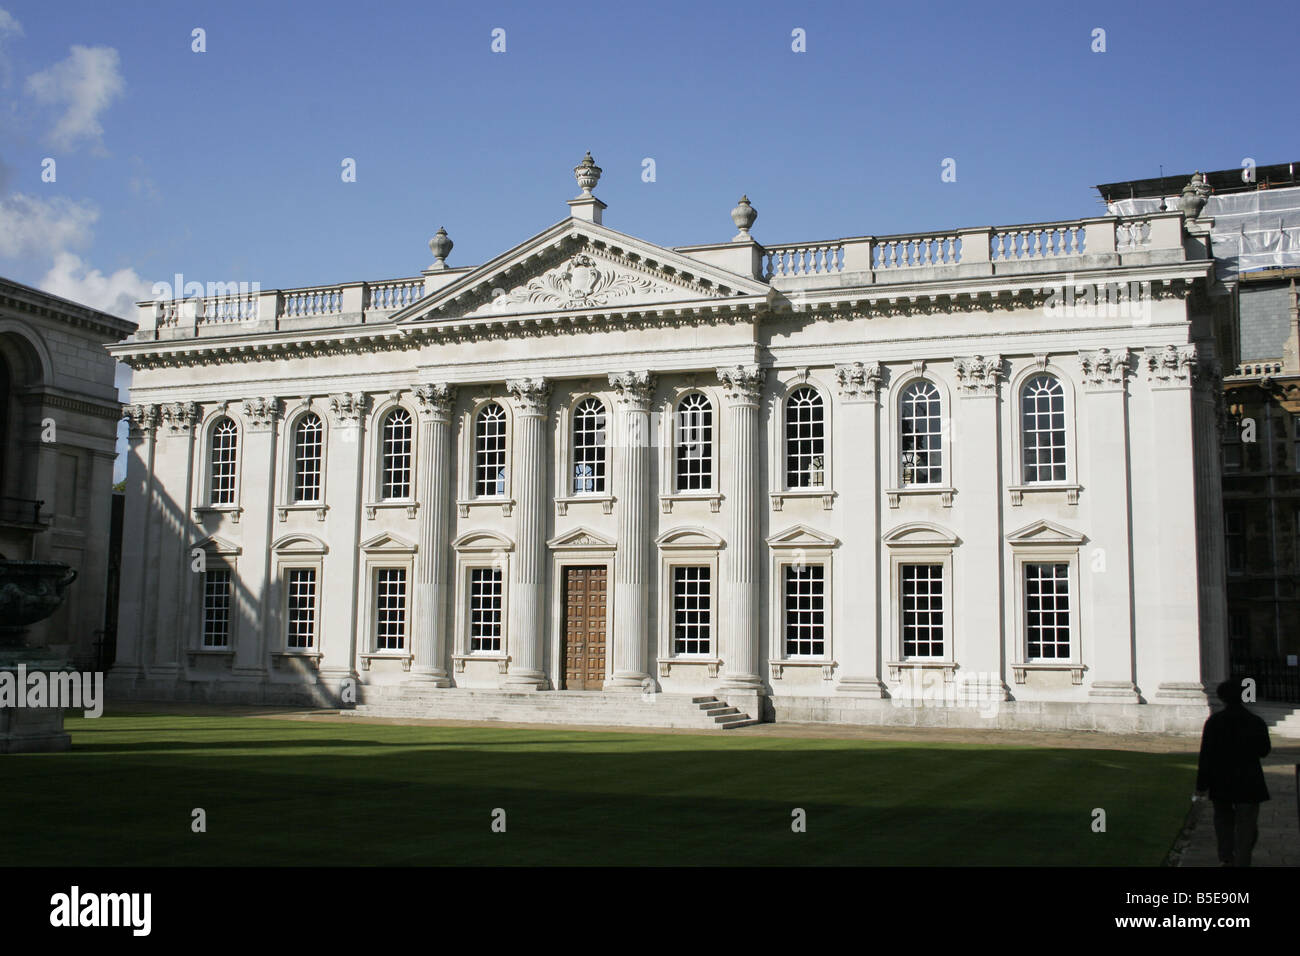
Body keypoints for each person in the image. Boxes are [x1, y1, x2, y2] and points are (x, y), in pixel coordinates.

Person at [1195, 679, 1271, 866]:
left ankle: (1226, 858)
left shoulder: (1214, 722)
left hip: (1222, 780)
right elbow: (1264, 750)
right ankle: (1242, 860)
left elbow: (1206, 756)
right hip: (1249, 780)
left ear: (1222, 698)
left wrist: (1201, 785)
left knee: (1223, 823)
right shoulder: (1255, 721)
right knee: (1247, 826)